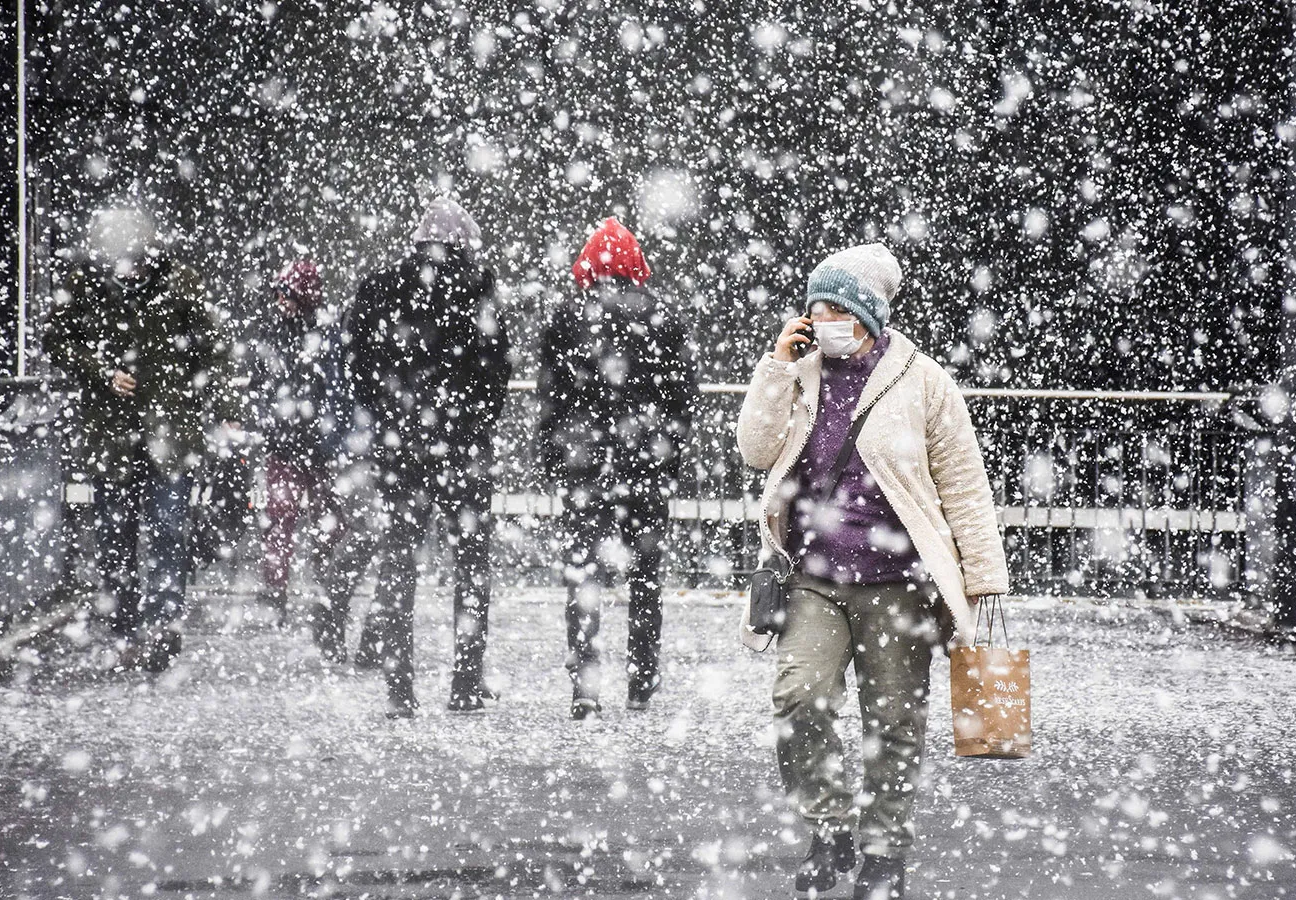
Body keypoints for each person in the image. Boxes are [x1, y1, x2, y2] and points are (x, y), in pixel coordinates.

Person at [734, 243, 1009, 900]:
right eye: (815, 309)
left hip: (898, 583)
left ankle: (885, 853)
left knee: (894, 722)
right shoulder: (800, 373)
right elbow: (755, 450)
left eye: (835, 308)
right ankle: (829, 827)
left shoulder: (923, 381)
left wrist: (983, 578)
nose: (822, 320)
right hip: (814, 577)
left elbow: (964, 485)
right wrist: (776, 366)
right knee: (799, 699)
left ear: (867, 313)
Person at [44, 207, 235, 673]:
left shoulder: (181, 284)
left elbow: (213, 349)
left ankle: (162, 626)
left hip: (170, 432)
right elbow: (57, 340)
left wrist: (217, 406)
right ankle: (126, 628)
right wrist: (101, 372)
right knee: (116, 534)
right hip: (112, 435)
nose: (131, 265)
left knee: (168, 529)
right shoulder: (86, 286)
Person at [340, 198, 510, 717]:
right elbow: (496, 371)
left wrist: (389, 417)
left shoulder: (379, 288)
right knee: (471, 565)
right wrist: (473, 421)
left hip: (401, 448)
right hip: (462, 448)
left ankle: (399, 688)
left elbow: (356, 363)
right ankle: (465, 682)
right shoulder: (478, 291)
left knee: (399, 561)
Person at [535, 217, 698, 720]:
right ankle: (641, 680)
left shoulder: (568, 317)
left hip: (585, 468)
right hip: (645, 466)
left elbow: (551, 397)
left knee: (583, 575)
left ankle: (585, 684)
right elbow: (682, 398)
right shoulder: (663, 317)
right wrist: (668, 455)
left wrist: (554, 457)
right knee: (645, 576)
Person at [243, 259, 349, 635]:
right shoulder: (288, 332)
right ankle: (282, 590)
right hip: (291, 442)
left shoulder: (322, 332)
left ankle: (315, 580)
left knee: (319, 519)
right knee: (283, 519)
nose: (280, 302)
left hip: (311, 443)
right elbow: (260, 381)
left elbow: (336, 385)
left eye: (286, 295)